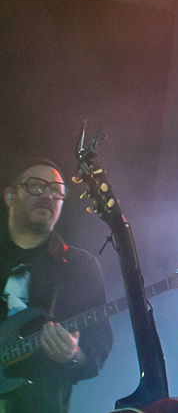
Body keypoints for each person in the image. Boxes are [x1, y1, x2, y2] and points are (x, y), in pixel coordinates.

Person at [0, 159, 112, 413]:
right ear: (9, 196)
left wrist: (73, 354)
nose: (47, 196)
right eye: (36, 186)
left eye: (56, 191)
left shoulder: (80, 266)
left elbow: (99, 344)